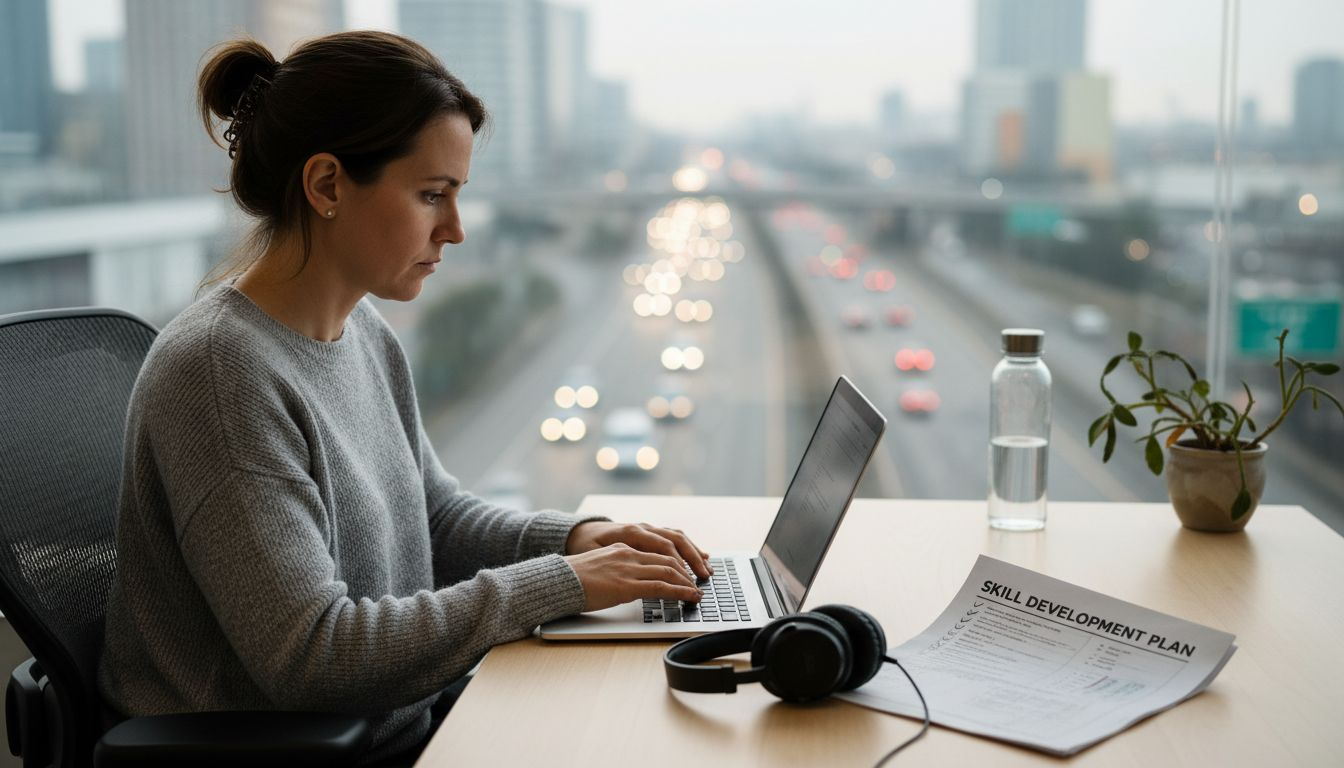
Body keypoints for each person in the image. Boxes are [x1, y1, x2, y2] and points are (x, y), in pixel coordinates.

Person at [98, 30, 711, 765]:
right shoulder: (220, 375)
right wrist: (562, 584)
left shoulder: (361, 329)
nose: (453, 230)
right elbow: (312, 655)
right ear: (326, 186)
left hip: (403, 724)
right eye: (431, 196)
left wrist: (574, 542)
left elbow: (434, 515)